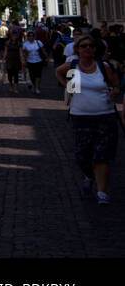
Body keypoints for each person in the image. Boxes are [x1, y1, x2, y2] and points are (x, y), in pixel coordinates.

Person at [56, 36, 121, 204]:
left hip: (105, 116)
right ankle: (89, 176)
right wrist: (67, 87)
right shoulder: (73, 66)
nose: (87, 48)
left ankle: (101, 192)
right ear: (77, 49)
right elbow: (58, 72)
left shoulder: (103, 67)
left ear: (95, 49)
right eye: (83, 46)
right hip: (80, 116)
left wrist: (114, 92)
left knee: (102, 155)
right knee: (82, 156)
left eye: (91, 46)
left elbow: (116, 86)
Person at [3, 29, 24, 93]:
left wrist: (22, 60)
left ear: (17, 36)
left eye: (15, 35)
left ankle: (15, 87)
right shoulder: (7, 43)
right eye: (12, 35)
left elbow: (20, 53)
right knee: (9, 74)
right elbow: (5, 52)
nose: (14, 37)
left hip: (16, 60)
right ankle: (10, 85)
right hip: (9, 60)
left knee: (16, 74)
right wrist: (3, 59)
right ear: (11, 36)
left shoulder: (19, 43)